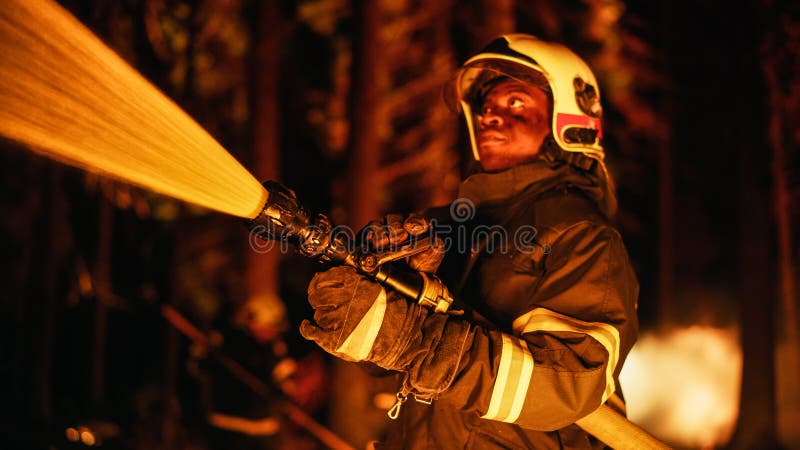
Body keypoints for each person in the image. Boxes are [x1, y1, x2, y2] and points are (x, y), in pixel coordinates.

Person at [299, 34, 639, 449]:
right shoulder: (453, 225)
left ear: (569, 120)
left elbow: (569, 382)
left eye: (515, 102)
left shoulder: (581, 237)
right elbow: (400, 368)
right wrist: (382, 313)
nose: (489, 116)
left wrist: (417, 342)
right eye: (484, 106)